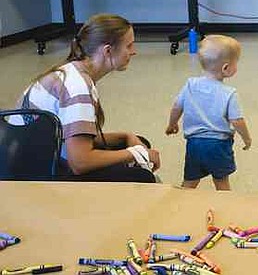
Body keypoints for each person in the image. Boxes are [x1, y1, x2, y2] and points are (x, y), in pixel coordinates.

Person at [18, 14, 160, 182]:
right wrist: (136, 153)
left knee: (137, 142)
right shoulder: (77, 88)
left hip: (31, 157)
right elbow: (80, 162)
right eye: (128, 46)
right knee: (142, 177)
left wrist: (125, 136)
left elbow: (72, 137)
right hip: (39, 174)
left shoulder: (70, 71)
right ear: (107, 51)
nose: (133, 51)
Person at [165, 35, 252, 191]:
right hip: (218, 145)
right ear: (226, 68)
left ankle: (179, 204)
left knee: (190, 181)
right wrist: (247, 139)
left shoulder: (190, 85)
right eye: (236, 63)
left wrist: (172, 124)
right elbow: (237, 120)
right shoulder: (229, 93)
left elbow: (177, 106)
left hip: (194, 144)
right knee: (221, 182)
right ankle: (226, 207)